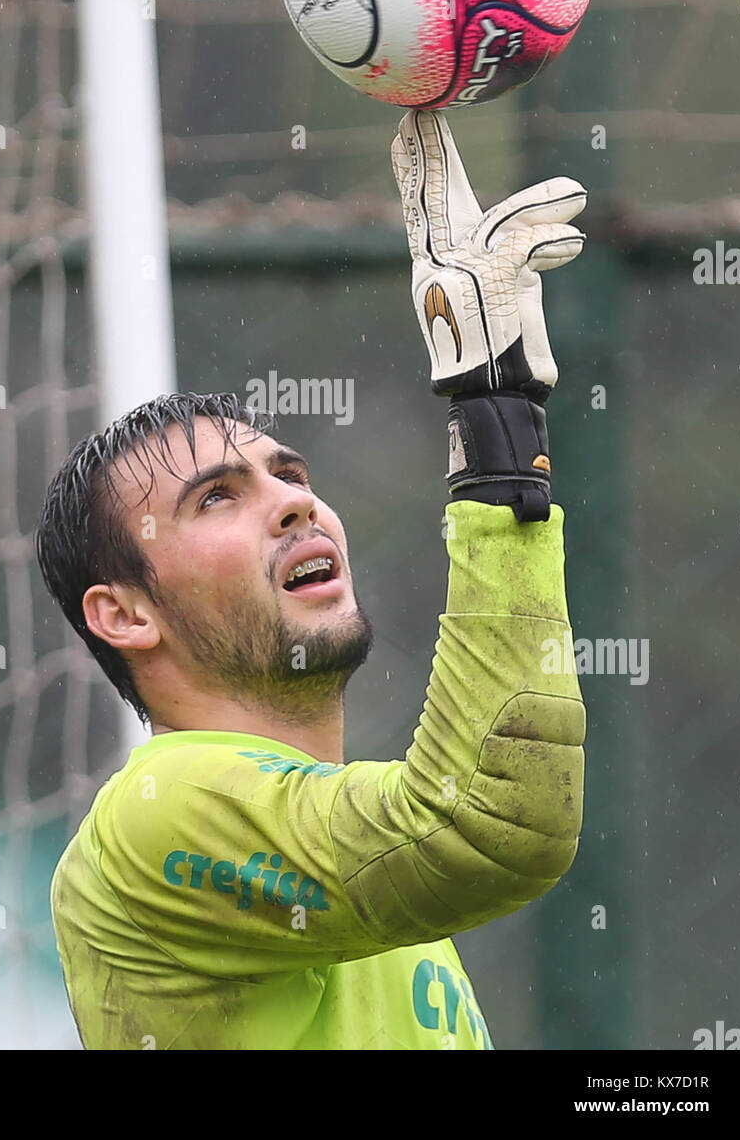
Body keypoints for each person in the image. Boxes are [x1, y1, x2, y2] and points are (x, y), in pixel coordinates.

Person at [35, 109, 588, 1050]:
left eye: (289, 474)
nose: (294, 503)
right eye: (215, 498)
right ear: (122, 614)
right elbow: (493, 821)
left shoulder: (349, 847)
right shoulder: (152, 820)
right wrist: (495, 433)